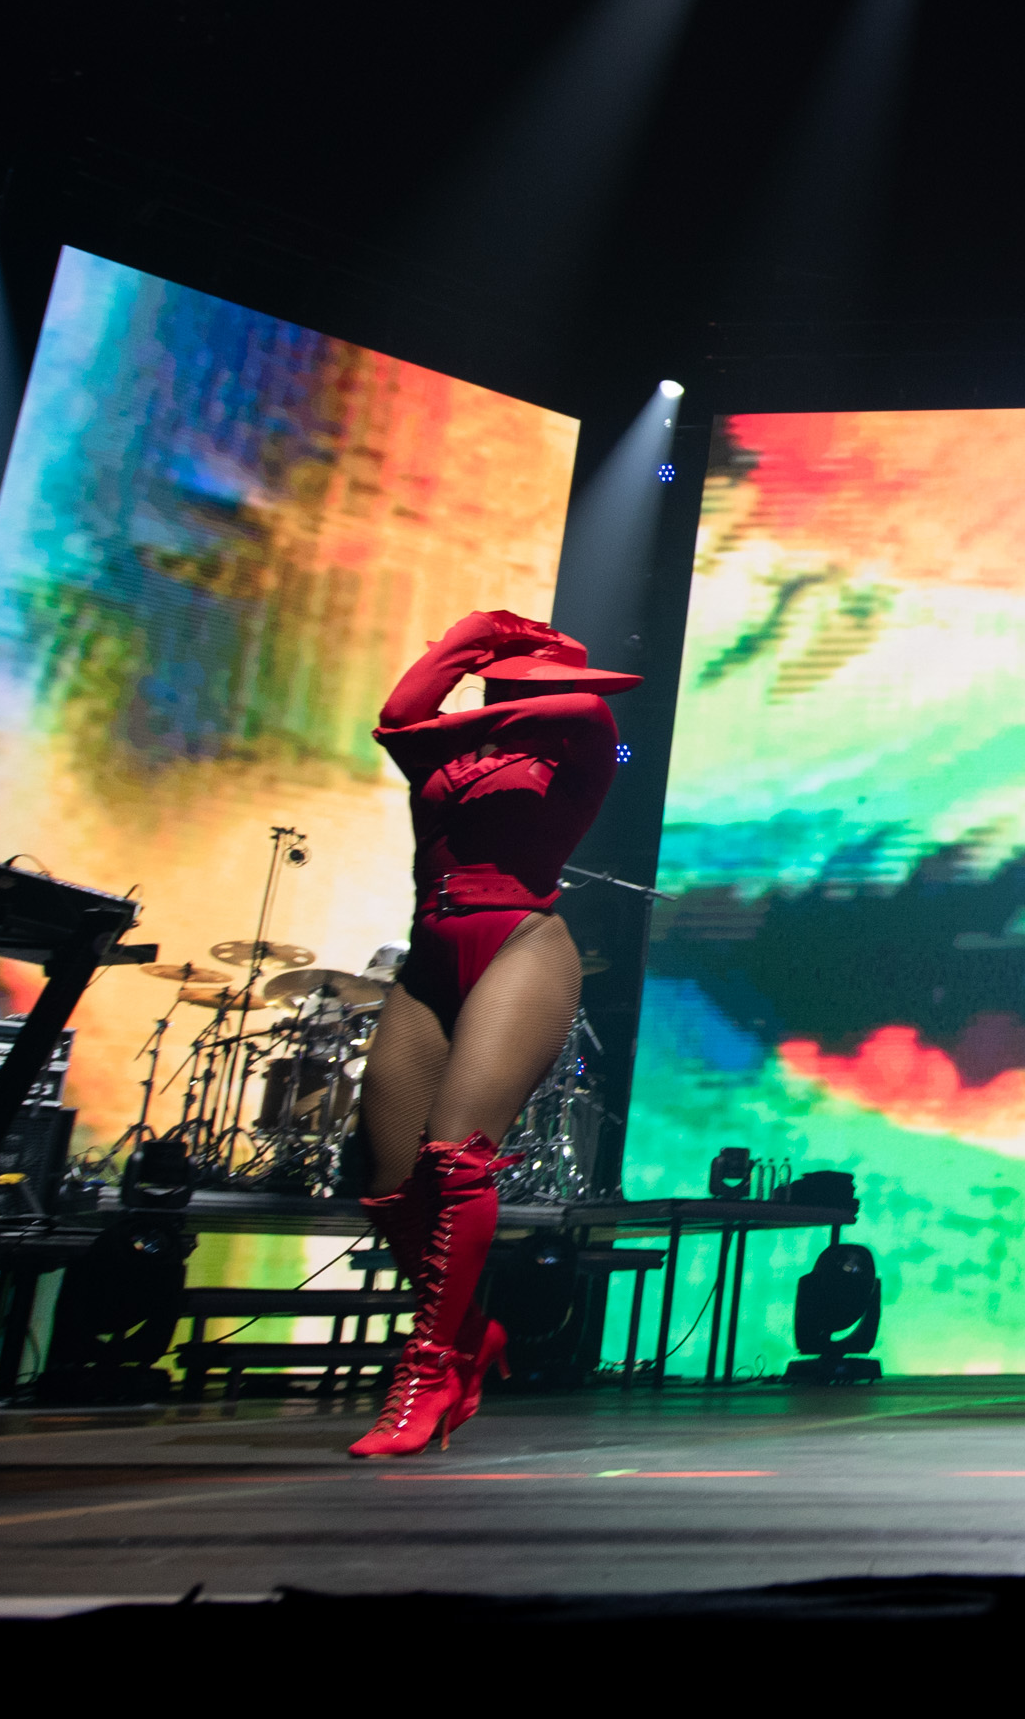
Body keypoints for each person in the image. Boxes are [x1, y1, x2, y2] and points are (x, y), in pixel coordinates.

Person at [346, 610, 638, 1458]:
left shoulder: (579, 731)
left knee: (457, 1157)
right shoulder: (447, 745)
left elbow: (408, 725)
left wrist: (487, 664)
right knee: (390, 1185)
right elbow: (402, 713)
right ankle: (474, 1334)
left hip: (520, 944)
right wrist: (469, 640)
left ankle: (430, 1367)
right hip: (428, 953)